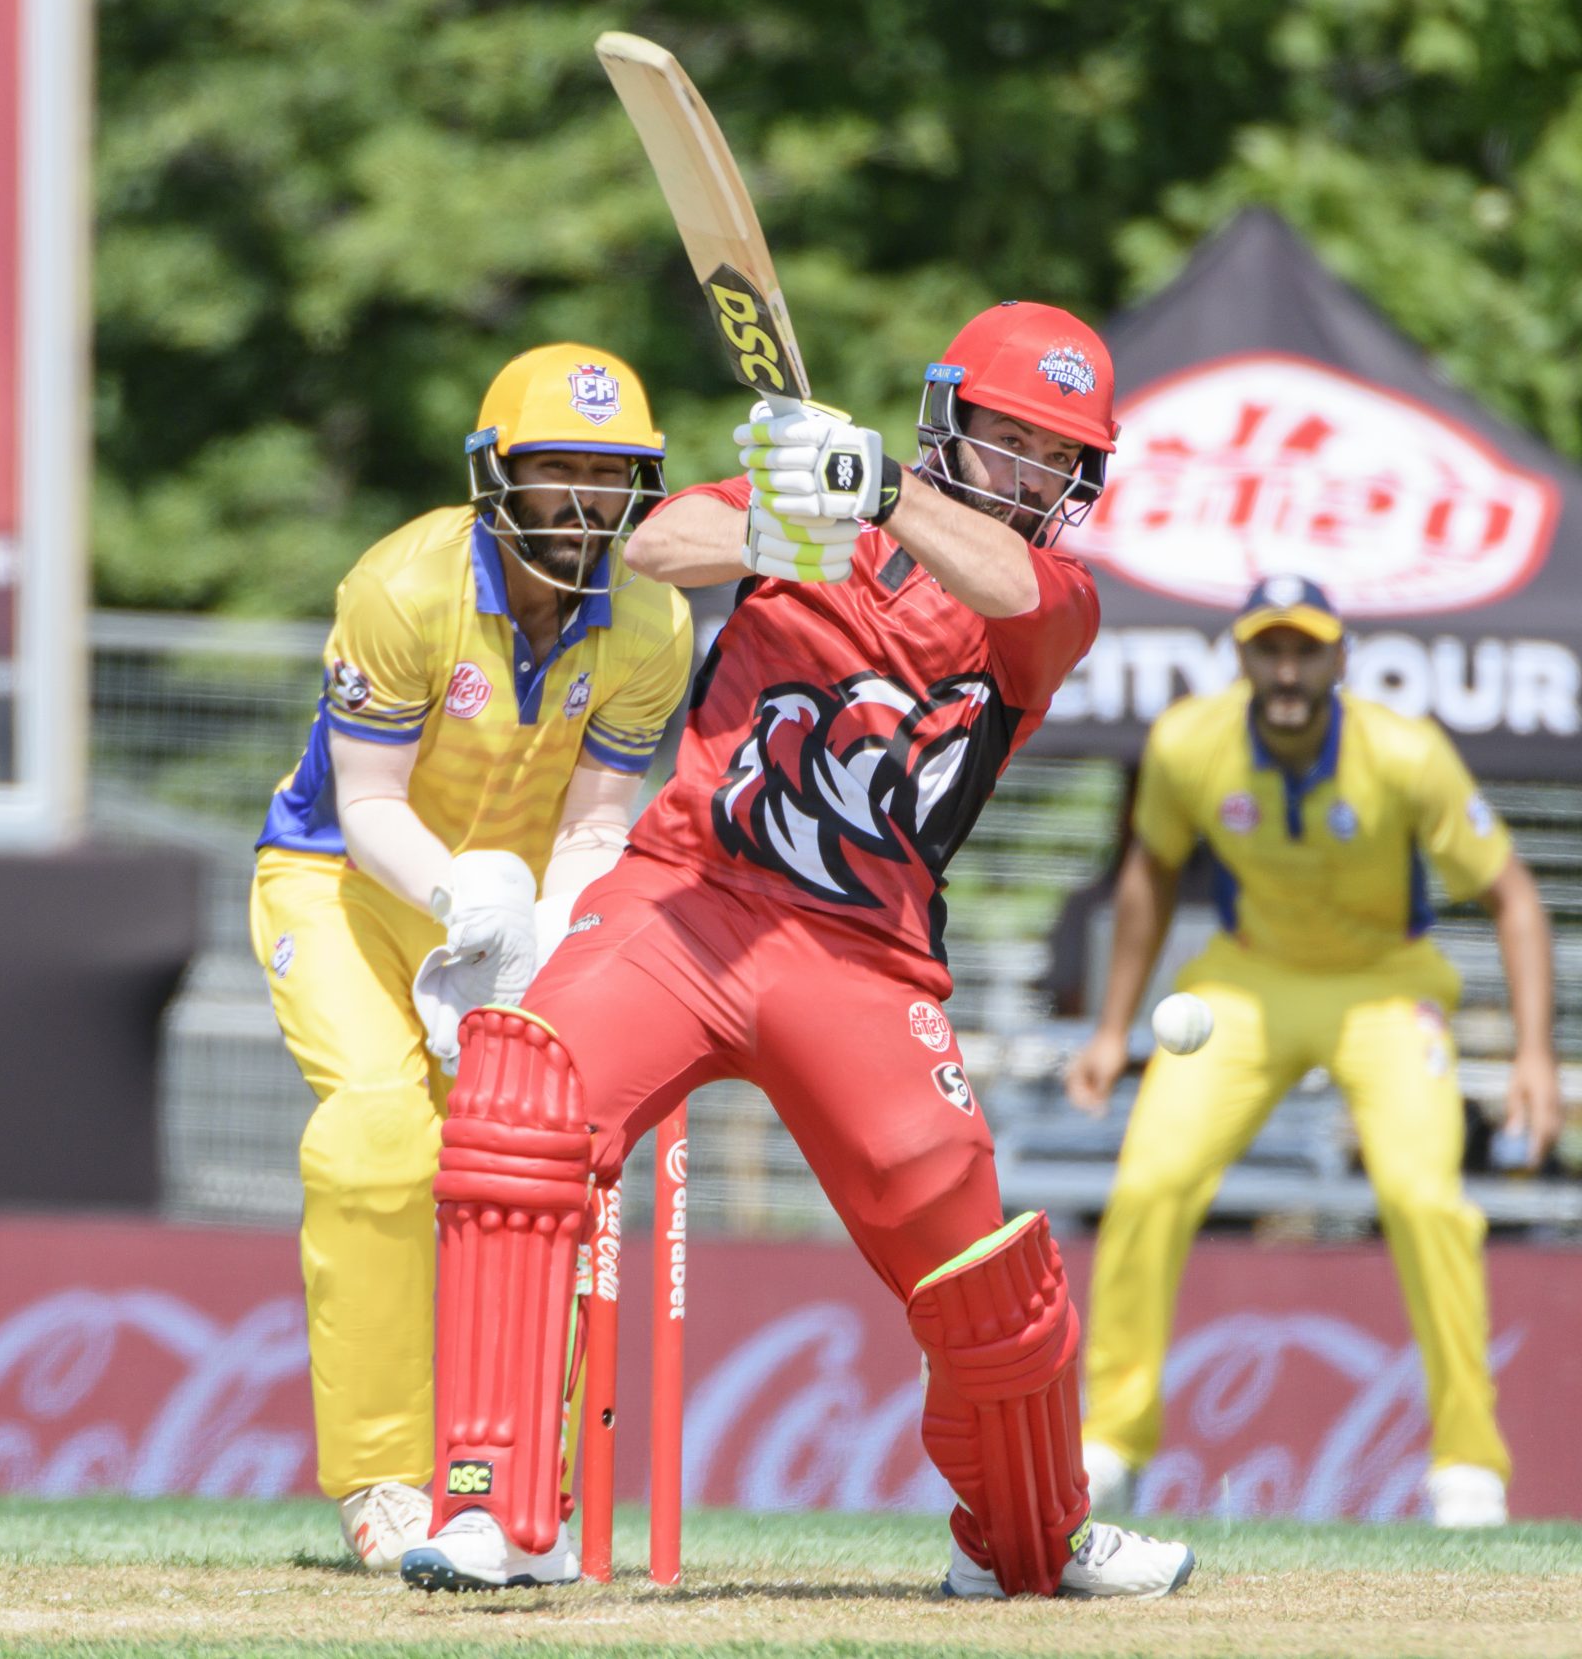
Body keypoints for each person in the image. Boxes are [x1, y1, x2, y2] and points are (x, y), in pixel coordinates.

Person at [403, 302, 1193, 1599]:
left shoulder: (1054, 605)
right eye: (1010, 440)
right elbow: (653, 543)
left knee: (978, 1260)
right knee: (519, 1104)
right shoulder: (818, 510)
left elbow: (1008, 586)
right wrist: (782, 527)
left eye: (1059, 457)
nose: (1031, 475)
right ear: (951, 422)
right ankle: (498, 1511)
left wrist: (875, 491)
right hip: (687, 902)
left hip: (863, 959)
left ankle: (1030, 1542)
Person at [248, 344, 691, 1573]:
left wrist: (556, 926)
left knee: (533, 1171)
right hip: (349, 884)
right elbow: (367, 802)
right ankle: (384, 1479)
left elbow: (596, 823)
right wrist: (463, 894)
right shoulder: (403, 585)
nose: (583, 499)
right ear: (496, 473)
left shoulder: (653, 619)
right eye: (557, 468)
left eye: (610, 473)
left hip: (515, 913)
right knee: (379, 1135)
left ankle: (511, 1486)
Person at [1063, 575, 1561, 1529]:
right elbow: (1148, 872)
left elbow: (1515, 897)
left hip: (1386, 985)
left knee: (1424, 1199)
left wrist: (1535, 1055)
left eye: (1305, 651)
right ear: (1242, 658)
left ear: (1341, 658)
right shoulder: (1187, 744)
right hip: (1247, 979)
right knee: (1151, 1179)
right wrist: (1110, 1030)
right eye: (1269, 650)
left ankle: (1468, 1463)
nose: (1286, 672)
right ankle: (1114, 1437)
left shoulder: (1406, 753)